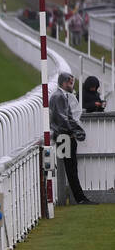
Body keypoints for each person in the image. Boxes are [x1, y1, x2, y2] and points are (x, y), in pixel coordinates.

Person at [50, 72, 91, 204]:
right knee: (70, 167)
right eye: (69, 83)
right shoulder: (59, 96)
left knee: (68, 167)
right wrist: (75, 131)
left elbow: (66, 118)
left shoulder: (60, 95)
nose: (71, 85)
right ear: (63, 82)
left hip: (63, 135)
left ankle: (74, 197)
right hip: (65, 136)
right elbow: (64, 119)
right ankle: (79, 198)